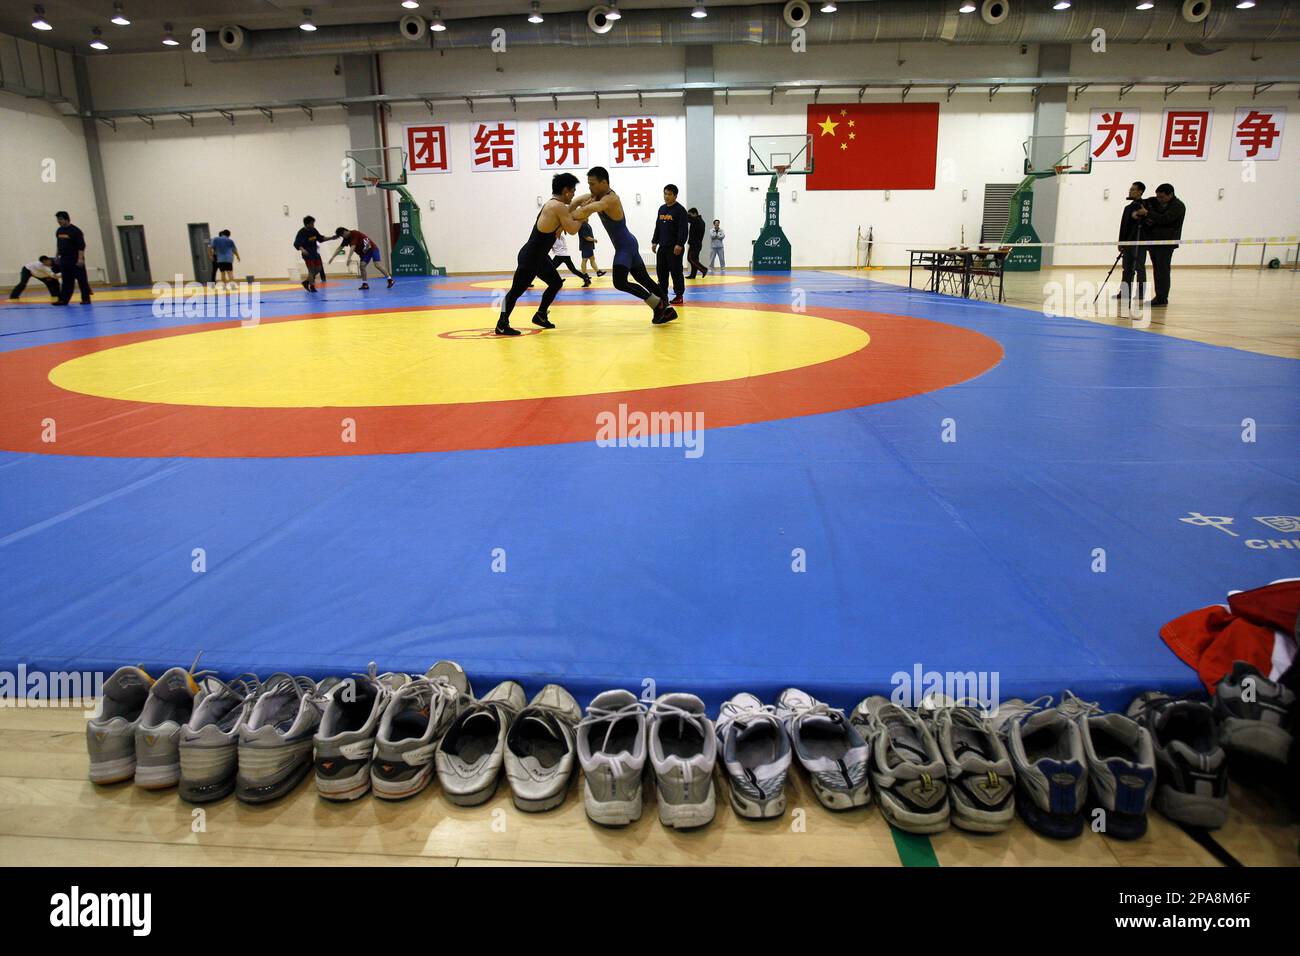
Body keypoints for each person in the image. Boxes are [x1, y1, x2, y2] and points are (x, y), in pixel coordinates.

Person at [571, 167, 676, 326]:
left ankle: (658, 304)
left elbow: (588, 210)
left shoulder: (610, 199)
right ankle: (666, 308)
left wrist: (562, 218)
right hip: (628, 244)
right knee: (643, 278)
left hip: (625, 247)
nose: (590, 188)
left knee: (620, 282)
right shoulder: (597, 196)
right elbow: (577, 202)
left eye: (592, 184)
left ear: (604, 183)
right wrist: (564, 210)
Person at [496, 172, 585, 336]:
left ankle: (541, 315)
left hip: (539, 257)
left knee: (556, 283)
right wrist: (584, 216)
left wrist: (593, 198)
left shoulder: (555, 204)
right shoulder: (557, 207)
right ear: (566, 190)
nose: (573, 195)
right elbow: (572, 229)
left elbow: (576, 204)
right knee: (516, 291)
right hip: (531, 257)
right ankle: (502, 324)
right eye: (573, 191)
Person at [1132, 183, 1185, 308]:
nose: (1159, 199)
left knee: (1163, 270)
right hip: (1154, 241)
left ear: (1170, 194)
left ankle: (1162, 298)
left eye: (1162, 197)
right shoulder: (1155, 202)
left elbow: (1165, 219)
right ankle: (1159, 296)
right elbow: (1144, 203)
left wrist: (1147, 213)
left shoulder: (1178, 206)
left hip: (1166, 243)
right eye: (1158, 197)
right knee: (1157, 270)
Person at [650, 184, 688, 305]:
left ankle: (679, 295)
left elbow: (683, 229)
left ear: (675, 196)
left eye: (669, 194)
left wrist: (680, 244)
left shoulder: (680, 210)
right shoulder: (662, 209)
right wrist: (654, 241)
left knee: (676, 272)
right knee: (661, 272)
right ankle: (663, 294)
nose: (666, 196)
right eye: (665, 193)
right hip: (663, 247)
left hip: (674, 247)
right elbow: (658, 226)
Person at [1115, 181, 1147, 304]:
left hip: (1139, 242)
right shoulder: (1128, 208)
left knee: (1139, 267)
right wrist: (1121, 242)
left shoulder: (1144, 206)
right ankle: (1124, 292)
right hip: (1128, 242)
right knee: (1126, 267)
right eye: (1130, 189)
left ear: (1140, 191)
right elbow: (1123, 226)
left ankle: (1140, 293)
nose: (1130, 191)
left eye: (1133, 189)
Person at [53, 211, 91, 306]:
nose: (59, 221)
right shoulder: (59, 231)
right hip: (64, 259)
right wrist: (57, 256)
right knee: (66, 281)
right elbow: (59, 245)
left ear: (66, 219)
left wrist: (80, 259)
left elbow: (81, 246)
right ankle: (63, 300)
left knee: (82, 280)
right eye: (58, 219)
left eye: (60, 219)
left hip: (75, 258)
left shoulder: (75, 231)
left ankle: (86, 299)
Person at [292, 216, 338, 292]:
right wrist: (302, 250)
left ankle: (306, 282)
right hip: (307, 254)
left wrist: (332, 238)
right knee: (311, 270)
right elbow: (296, 243)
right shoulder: (301, 232)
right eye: (312, 224)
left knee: (318, 268)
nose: (313, 225)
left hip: (315, 253)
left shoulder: (313, 230)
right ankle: (312, 286)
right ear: (306, 224)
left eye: (313, 223)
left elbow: (320, 238)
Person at [686, 208, 708, 279]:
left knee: (691, 259)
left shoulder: (696, 221)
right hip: (697, 244)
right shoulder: (700, 221)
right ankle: (693, 275)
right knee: (694, 259)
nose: (689, 216)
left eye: (690, 215)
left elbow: (688, 219)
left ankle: (703, 269)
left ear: (695, 214)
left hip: (694, 244)